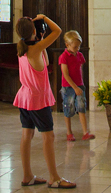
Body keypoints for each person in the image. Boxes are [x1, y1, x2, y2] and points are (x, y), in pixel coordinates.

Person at [13, 14, 74, 188]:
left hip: (25, 98)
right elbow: (58, 31)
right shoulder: (36, 48)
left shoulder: (24, 48)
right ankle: (54, 178)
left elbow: (45, 62)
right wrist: (45, 18)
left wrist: (38, 35)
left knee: (27, 134)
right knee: (48, 136)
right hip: (37, 99)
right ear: (33, 31)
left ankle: (27, 176)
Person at [58, 30, 93, 142]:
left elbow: (80, 70)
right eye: (75, 47)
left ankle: (85, 132)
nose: (77, 49)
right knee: (68, 108)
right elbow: (66, 75)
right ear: (67, 45)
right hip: (68, 87)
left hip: (79, 86)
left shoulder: (80, 55)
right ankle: (69, 133)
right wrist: (75, 87)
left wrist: (80, 85)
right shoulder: (63, 57)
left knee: (82, 107)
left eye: (78, 46)